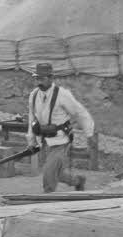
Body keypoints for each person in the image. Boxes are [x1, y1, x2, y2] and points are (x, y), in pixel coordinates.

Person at [25, 62, 94, 193]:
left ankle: (48, 197)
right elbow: (31, 118)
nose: (39, 82)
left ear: (51, 78)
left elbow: (80, 112)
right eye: (37, 78)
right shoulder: (33, 95)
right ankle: (78, 181)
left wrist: (89, 134)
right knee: (58, 173)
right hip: (44, 140)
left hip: (60, 140)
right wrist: (31, 139)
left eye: (42, 79)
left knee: (49, 171)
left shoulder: (62, 94)